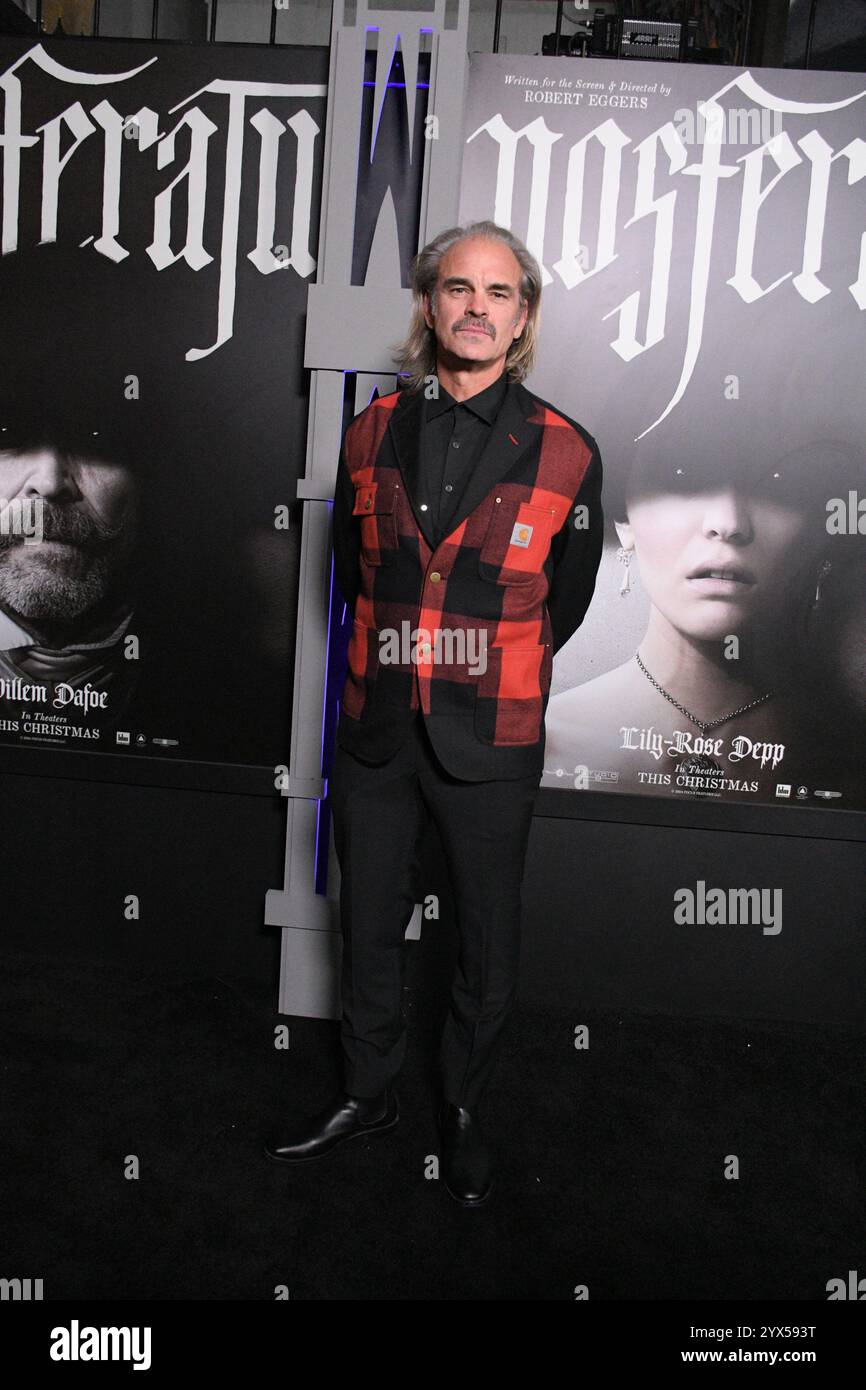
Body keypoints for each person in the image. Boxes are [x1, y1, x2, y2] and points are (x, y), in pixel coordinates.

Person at [265, 220, 604, 1205]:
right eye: (458, 288)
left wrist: (479, 668)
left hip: (486, 742)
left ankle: (461, 1112)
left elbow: (565, 600)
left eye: (499, 293)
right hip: (375, 735)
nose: (475, 308)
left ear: (523, 316)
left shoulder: (565, 450)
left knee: (481, 947)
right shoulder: (371, 430)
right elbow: (351, 577)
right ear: (426, 304)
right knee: (366, 927)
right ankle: (366, 1093)